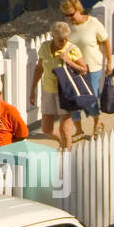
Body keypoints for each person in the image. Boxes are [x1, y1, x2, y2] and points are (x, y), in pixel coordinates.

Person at [29, 21, 89, 151]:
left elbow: (83, 70)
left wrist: (68, 60)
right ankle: (63, 143)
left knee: (64, 128)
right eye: (61, 40)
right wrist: (32, 89)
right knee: (47, 128)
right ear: (53, 36)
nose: (64, 42)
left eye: (66, 39)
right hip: (48, 91)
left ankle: (67, 156)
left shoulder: (72, 49)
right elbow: (39, 69)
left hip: (66, 93)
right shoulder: (44, 47)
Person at [59, 0, 112, 136]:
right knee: (74, 99)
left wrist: (109, 62)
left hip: (93, 67)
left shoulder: (93, 23)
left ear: (78, 10)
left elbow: (105, 41)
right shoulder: (66, 28)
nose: (69, 18)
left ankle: (97, 123)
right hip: (73, 68)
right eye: (65, 15)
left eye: (71, 14)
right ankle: (79, 129)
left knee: (90, 98)